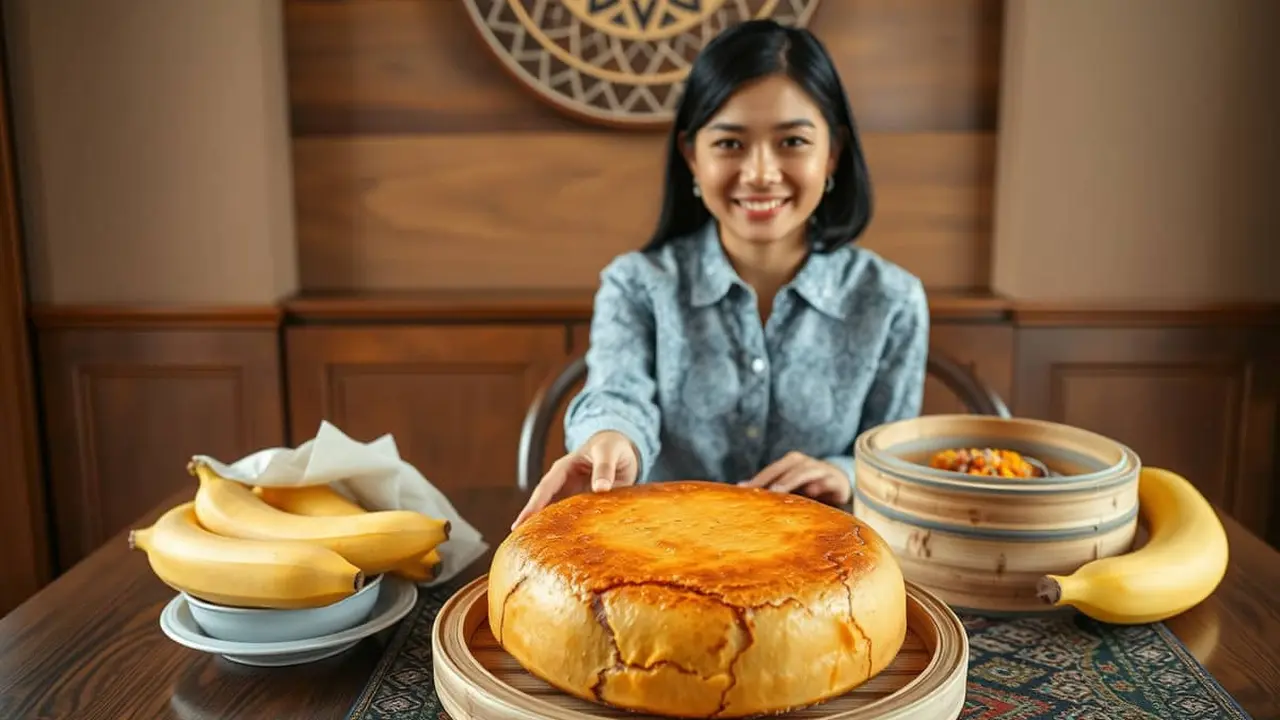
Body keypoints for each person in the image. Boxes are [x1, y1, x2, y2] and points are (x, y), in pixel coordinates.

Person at [513, 19, 929, 529]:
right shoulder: (638, 284)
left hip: (820, 567)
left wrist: (842, 474)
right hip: (663, 561)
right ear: (692, 155)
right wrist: (610, 438)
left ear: (833, 153)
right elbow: (617, 395)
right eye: (730, 143)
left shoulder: (892, 300)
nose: (759, 173)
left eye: (792, 141)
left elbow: (892, 464)